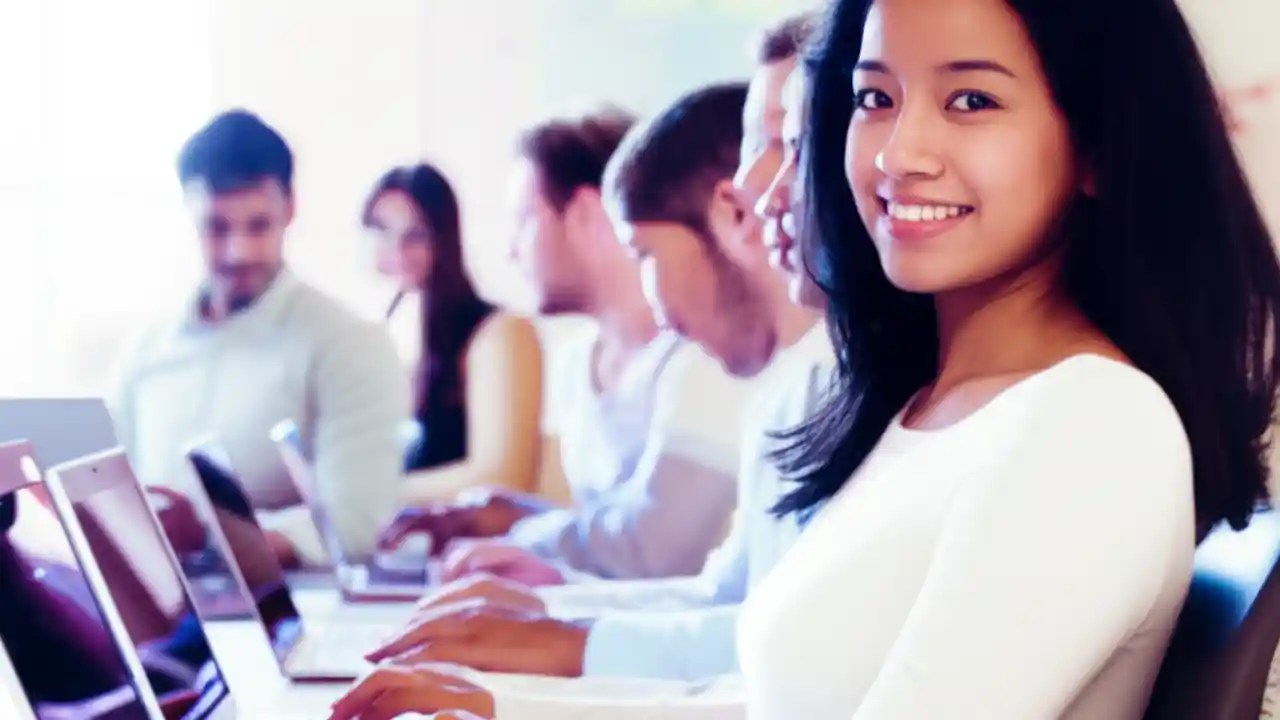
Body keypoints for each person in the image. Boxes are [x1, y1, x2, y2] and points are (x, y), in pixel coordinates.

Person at [327, 0, 1280, 717]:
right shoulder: (917, 408)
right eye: (874, 98)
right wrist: (497, 703)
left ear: (1097, 145)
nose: (899, 151)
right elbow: (765, 703)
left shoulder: (1092, 423)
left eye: (971, 100)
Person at [378, 16, 828, 685]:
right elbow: (722, 600)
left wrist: (557, 629)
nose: (758, 191)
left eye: (792, 143)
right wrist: (548, 610)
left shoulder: (800, 379)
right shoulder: (790, 389)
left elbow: (682, 573)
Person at [111, 110, 407, 568]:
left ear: (290, 209)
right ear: (187, 212)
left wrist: (208, 539)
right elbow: (111, 504)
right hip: (153, 594)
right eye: (216, 227)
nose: (238, 251)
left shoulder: (349, 345)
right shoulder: (144, 351)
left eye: (258, 226)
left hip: (288, 601)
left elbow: (357, 524)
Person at [362, 164, 545, 501]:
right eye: (381, 230)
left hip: (464, 532)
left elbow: (502, 481)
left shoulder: (499, 333)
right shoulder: (383, 336)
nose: (397, 249)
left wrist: (370, 496)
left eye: (416, 235)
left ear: (444, 240)